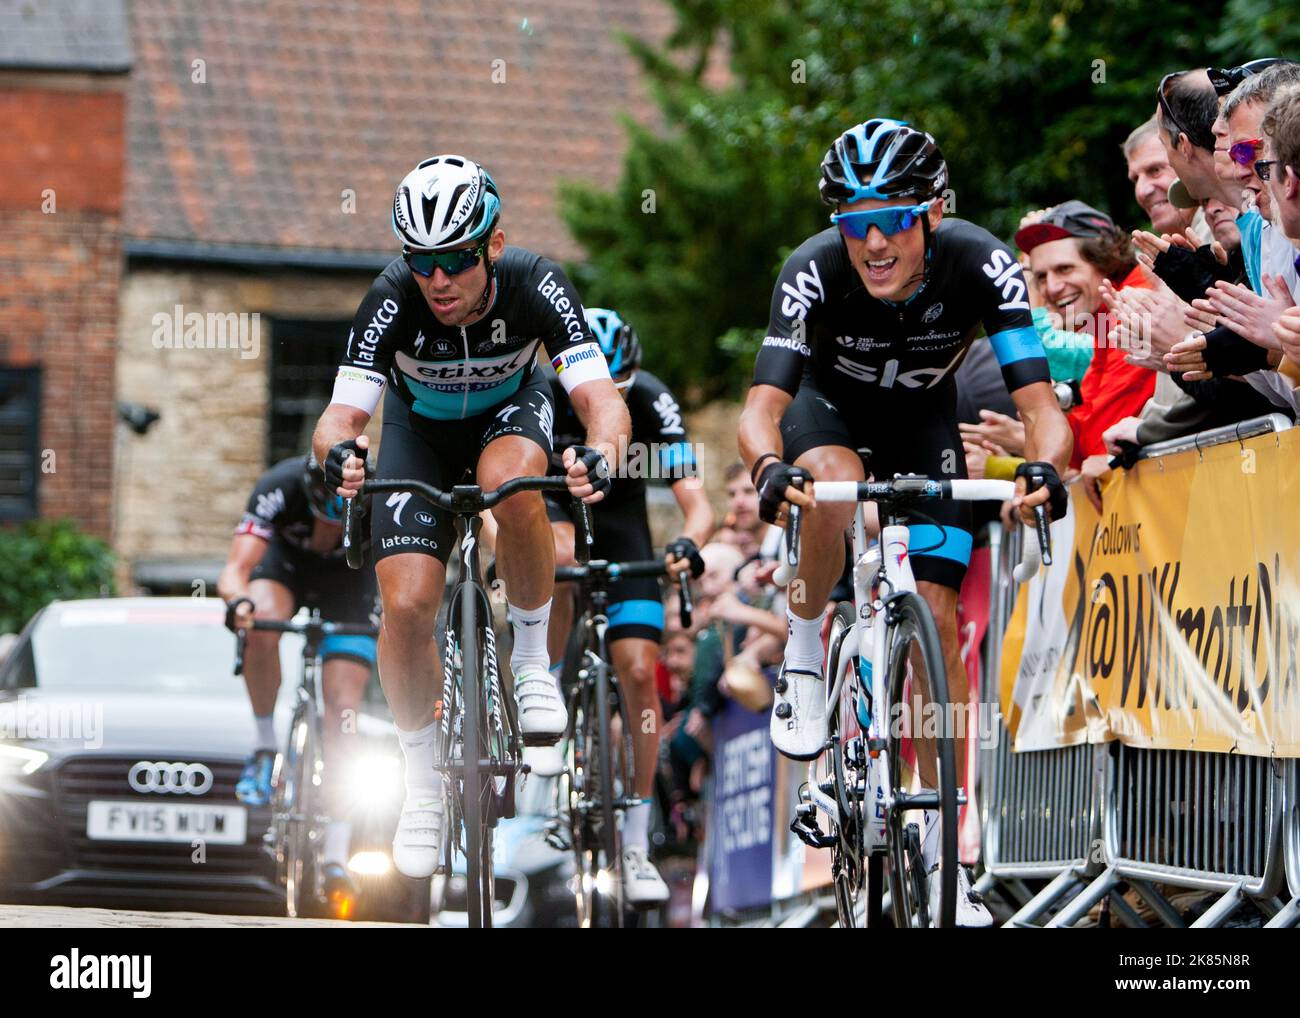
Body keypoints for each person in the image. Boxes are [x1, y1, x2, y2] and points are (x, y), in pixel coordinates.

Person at [736, 117, 1072, 925]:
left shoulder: (980, 260)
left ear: (935, 212)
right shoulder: (812, 270)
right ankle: (810, 652)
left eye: (892, 219)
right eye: (855, 224)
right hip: (827, 416)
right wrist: (764, 467)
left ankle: (938, 845)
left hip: (926, 423)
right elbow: (760, 409)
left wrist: (1043, 469)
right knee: (830, 483)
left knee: (940, 608)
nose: (874, 242)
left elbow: (1040, 408)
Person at [311, 155, 630, 879]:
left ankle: (528, 661)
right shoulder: (393, 297)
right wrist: (338, 455)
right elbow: (338, 416)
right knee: (408, 602)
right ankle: (422, 784)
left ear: (492, 244)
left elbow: (601, 401)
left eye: (455, 260)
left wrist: (605, 452)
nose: (438, 281)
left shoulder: (536, 281)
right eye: (421, 263)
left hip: (508, 419)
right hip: (418, 437)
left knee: (514, 481)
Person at [540, 306, 715, 905]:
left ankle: (637, 841)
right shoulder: (541, 393)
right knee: (559, 561)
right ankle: (549, 682)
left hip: (624, 533)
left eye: (618, 389)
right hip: (556, 518)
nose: (603, 400)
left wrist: (689, 543)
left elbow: (698, 503)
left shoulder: (652, 399)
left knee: (640, 670)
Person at [217, 454, 378, 907]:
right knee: (262, 622)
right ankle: (265, 746)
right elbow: (235, 570)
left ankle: (336, 851)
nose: (327, 533)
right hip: (286, 567)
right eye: (320, 517)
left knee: (343, 710)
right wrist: (239, 604)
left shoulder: (378, 495)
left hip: (351, 578)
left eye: (338, 521)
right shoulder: (279, 486)